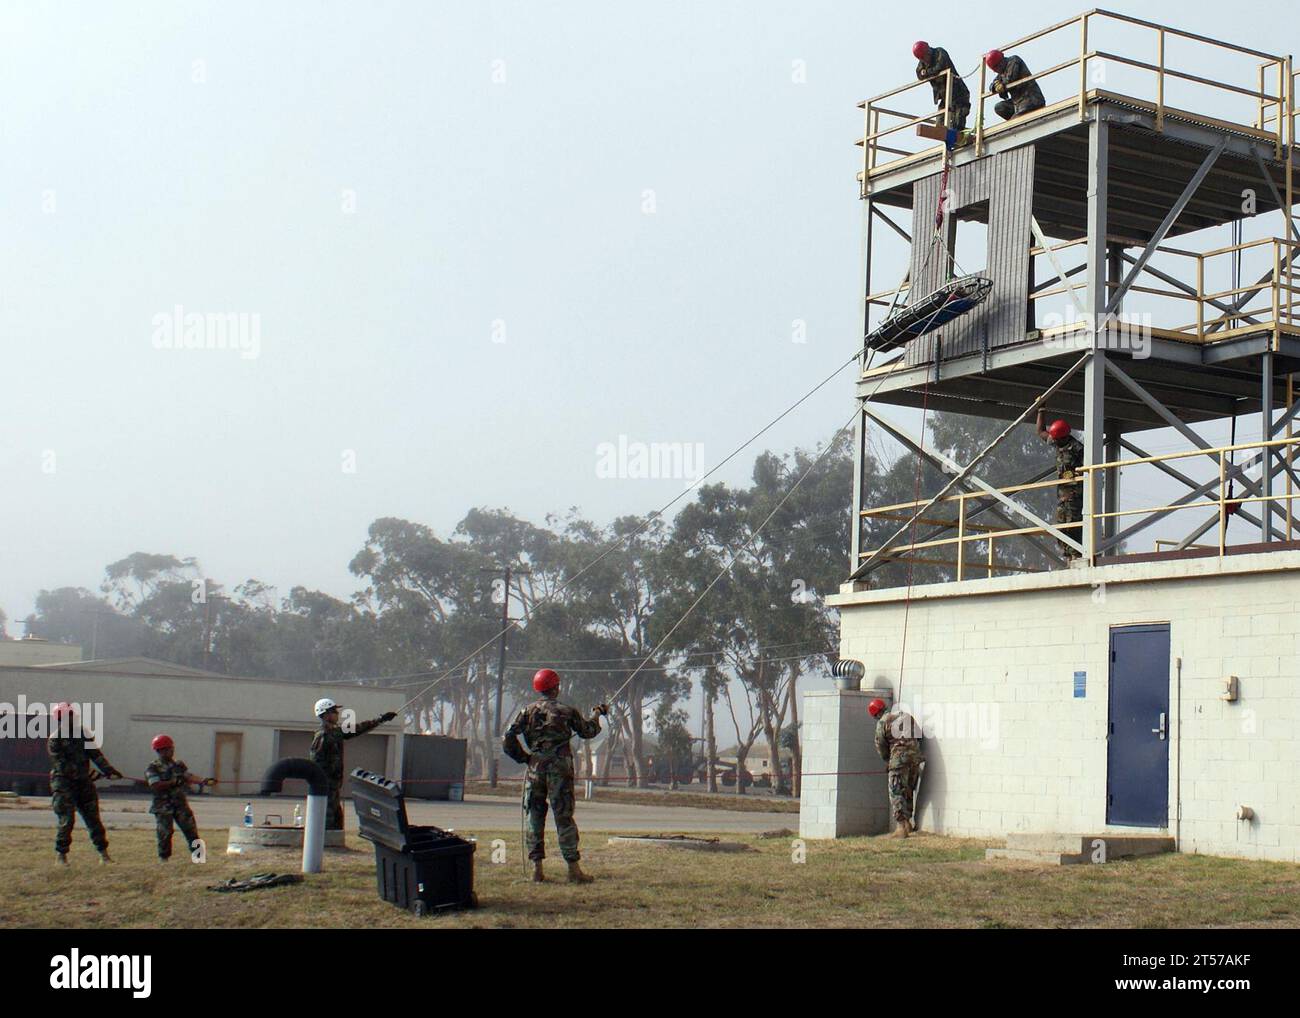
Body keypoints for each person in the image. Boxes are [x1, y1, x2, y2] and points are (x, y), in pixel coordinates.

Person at [502, 668, 607, 883]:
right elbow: (588, 731)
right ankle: (573, 870)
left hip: (535, 770)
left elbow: (508, 738)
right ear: (556, 687)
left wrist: (525, 758)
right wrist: (598, 713)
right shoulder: (566, 711)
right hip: (560, 770)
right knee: (563, 817)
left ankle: (536, 870)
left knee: (534, 817)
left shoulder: (526, 711)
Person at [47, 702, 123, 865]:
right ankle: (61, 855)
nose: (74, 718)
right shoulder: (55, 738)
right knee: (67, 820)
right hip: (64, 783)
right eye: (70, 715)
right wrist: (88, 773)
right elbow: (62, 765)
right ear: (61, 718)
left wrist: (109, 770)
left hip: (83, 783)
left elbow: (95, 754)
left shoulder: (83, 734)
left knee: (93, 819)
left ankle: (104, 855)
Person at [308, 698, 397, 830]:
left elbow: (357, 729)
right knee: (327, 819)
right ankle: (327, 843)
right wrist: (323, 781)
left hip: (333, 785)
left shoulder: (335, 732)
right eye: (334, 711)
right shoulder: (323, 735)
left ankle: (334, 841)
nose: (337, 714)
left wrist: (381, 719)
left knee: (336, 818)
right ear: (325, 714)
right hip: (326, 785)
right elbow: (315, 762)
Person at [145, 734, 214, 862]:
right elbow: (155, 785)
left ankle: (199, 857)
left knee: (191, 830)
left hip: (180, 804)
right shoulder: (153, 767)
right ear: (159, 751)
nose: (169, 752)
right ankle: (164, 858)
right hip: (163, 806)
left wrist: (203, 781)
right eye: (166, 749)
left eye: (170, 749)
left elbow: (188, 776)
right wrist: (173, 782)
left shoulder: (178, 764)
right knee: (165, 833)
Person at [870, 698, 924, 838]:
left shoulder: (882, 722)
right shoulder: (906, 716)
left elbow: (881, 745)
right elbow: (919, 736)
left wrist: (888, 761)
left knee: (896, 792)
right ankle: (908, 824)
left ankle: (901, 827)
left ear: (875, 714)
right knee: (908, 790)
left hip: (898, 761)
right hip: (915, 759)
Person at [1037, 410, 1085, 560]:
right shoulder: (1058, 441)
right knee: (1060, 525)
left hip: (1074, 494)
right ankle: (1067, 554)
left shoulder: (1078, 448)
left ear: (1064, 437)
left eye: (1057, 439)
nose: (1054, 441)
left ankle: (1076, 554)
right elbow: (1040, 432)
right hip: (1062, 495)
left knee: (1072, 524)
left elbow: (1091, 467)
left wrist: (1078, 474)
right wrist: (1041, 410)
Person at [913, 40, 970, 131]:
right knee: (939, 126)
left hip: (958, 94)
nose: (924, 60)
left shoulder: (939, 52)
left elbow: (939, 67)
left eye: (924, 57)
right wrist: (925, 73)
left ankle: (958, 139)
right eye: (922, 58)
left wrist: (927, 72)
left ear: (928, 51)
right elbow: (919, 74)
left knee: (957, 124)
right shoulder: (923, 61)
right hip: (945, 98)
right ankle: (951, 140)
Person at [985, 49, 1046, 121]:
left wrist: (1002, 85)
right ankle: (1016, 116)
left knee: (1012, 124)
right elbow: (992, 85)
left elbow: (1010, 78)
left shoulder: (1014, 60)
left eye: (996, 68)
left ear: (1000, 63)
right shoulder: (1002, 72)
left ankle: (1017, 120)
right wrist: (995, 86)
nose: (996, 71)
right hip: (1018, 103)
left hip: (1031, 100)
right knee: (999, 107)